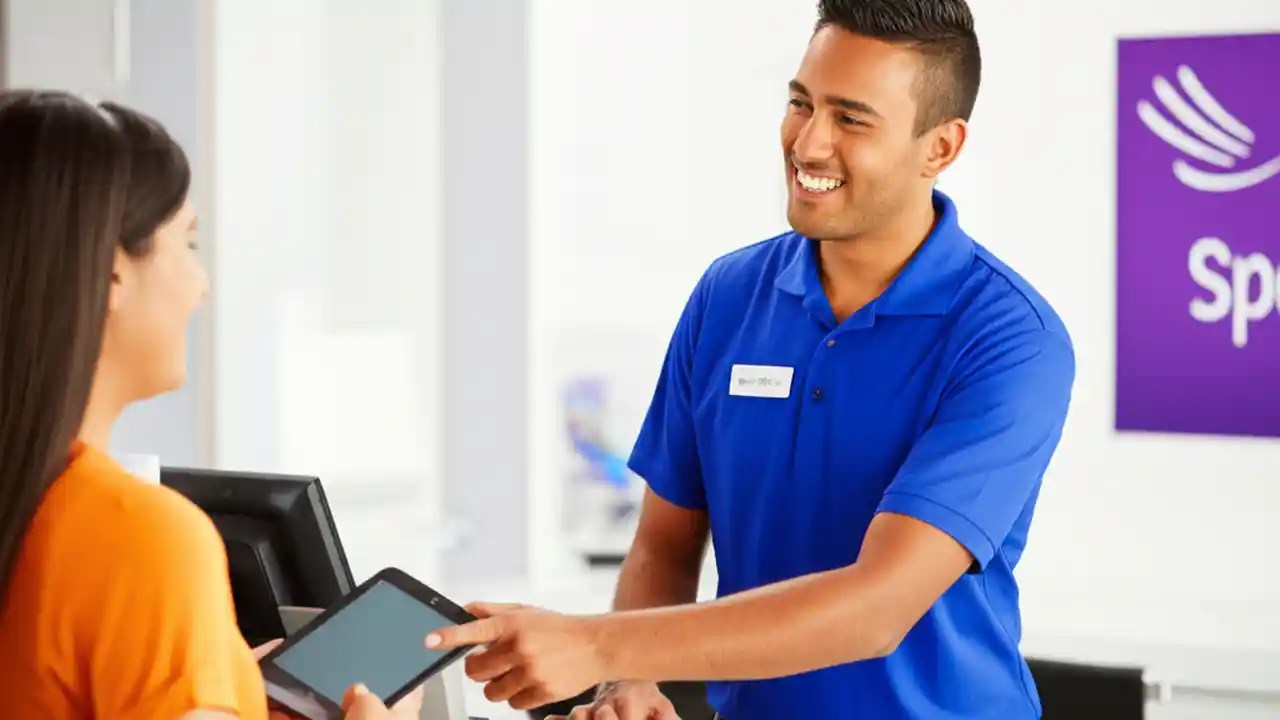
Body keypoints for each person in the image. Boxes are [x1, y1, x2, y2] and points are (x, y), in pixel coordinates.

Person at [431, 1, 1075, 718]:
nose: (808, 143)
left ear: (941, 148)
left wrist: (600, 646)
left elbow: (876, 607)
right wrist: (629, 685)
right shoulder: (728, 297)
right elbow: (663, 544)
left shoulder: (1011, 340)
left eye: (852, 119)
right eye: (801, 103)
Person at [0, 90, 413, 720]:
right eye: (187, 245)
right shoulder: (140, 539)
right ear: (113, 273)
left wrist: (212, 689)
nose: (202, 284)